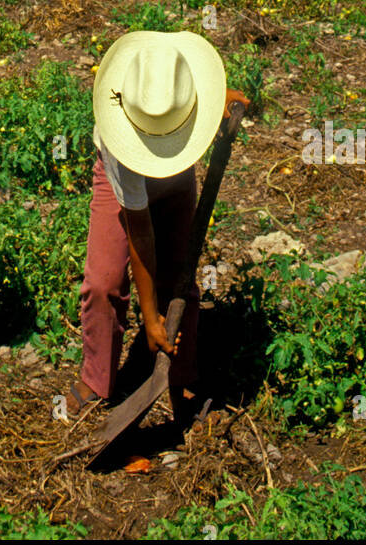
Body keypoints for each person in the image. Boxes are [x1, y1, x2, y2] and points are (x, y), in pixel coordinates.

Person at [67, 29, 244, 424]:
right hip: (122, 187)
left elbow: (199, 98)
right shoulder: (121, 147)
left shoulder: (177, 90)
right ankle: (98, 380)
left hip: (178, 176)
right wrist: (148, 316)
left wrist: (220, 105)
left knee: (181, 281)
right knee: (103, 282)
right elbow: (140, 234)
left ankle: (180, 376)